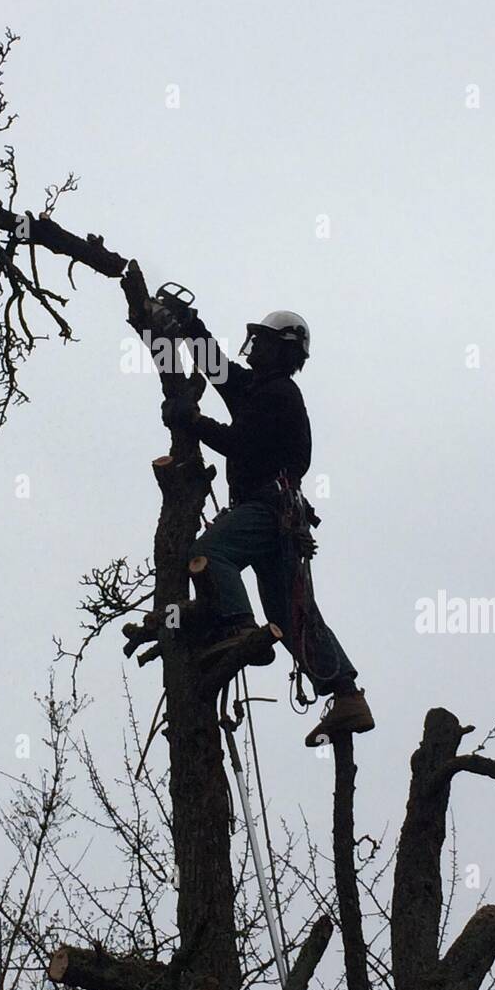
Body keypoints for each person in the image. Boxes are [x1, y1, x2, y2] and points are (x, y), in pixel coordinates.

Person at [153, 302, 374, 746]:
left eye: (264, 344)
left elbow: (240, 443)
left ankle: (236, 628)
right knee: (290, 617)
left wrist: (192, 421)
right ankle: (346, 695)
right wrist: (190, 326)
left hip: (268, 509)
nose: (254, 351)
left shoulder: (278, 396)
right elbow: (218, 369)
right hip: (282, 519)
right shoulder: (258, 390)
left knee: (209, 552)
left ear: (282, 351)